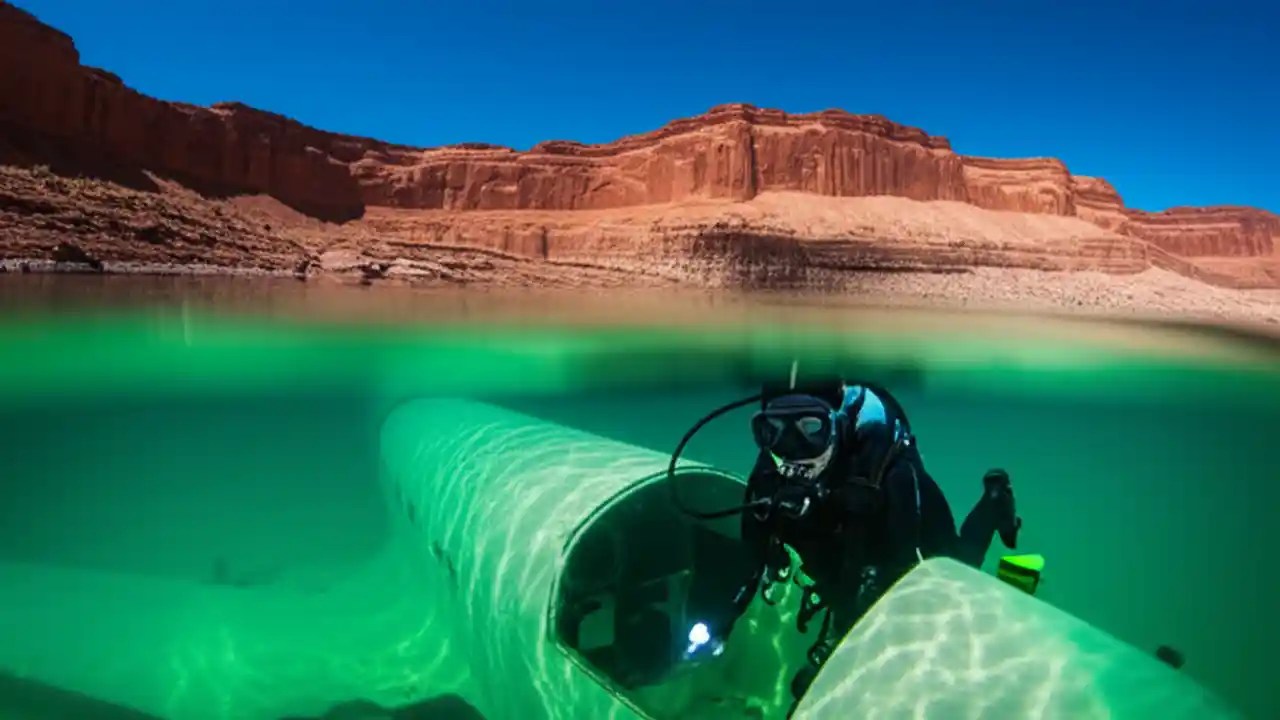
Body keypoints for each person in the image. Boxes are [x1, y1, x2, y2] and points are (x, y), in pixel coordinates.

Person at [679, 375, 1021, 713]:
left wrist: (840, 648)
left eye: (810, 428)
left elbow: (896, 569)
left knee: (958, 563)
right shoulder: (771, 470)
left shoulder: (888, 471)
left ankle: (994, 500)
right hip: (841, 538)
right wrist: (721, 621)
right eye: (774, 431)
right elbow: (750, 556)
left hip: (886, 509)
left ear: (837, 423)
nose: (793, 450)